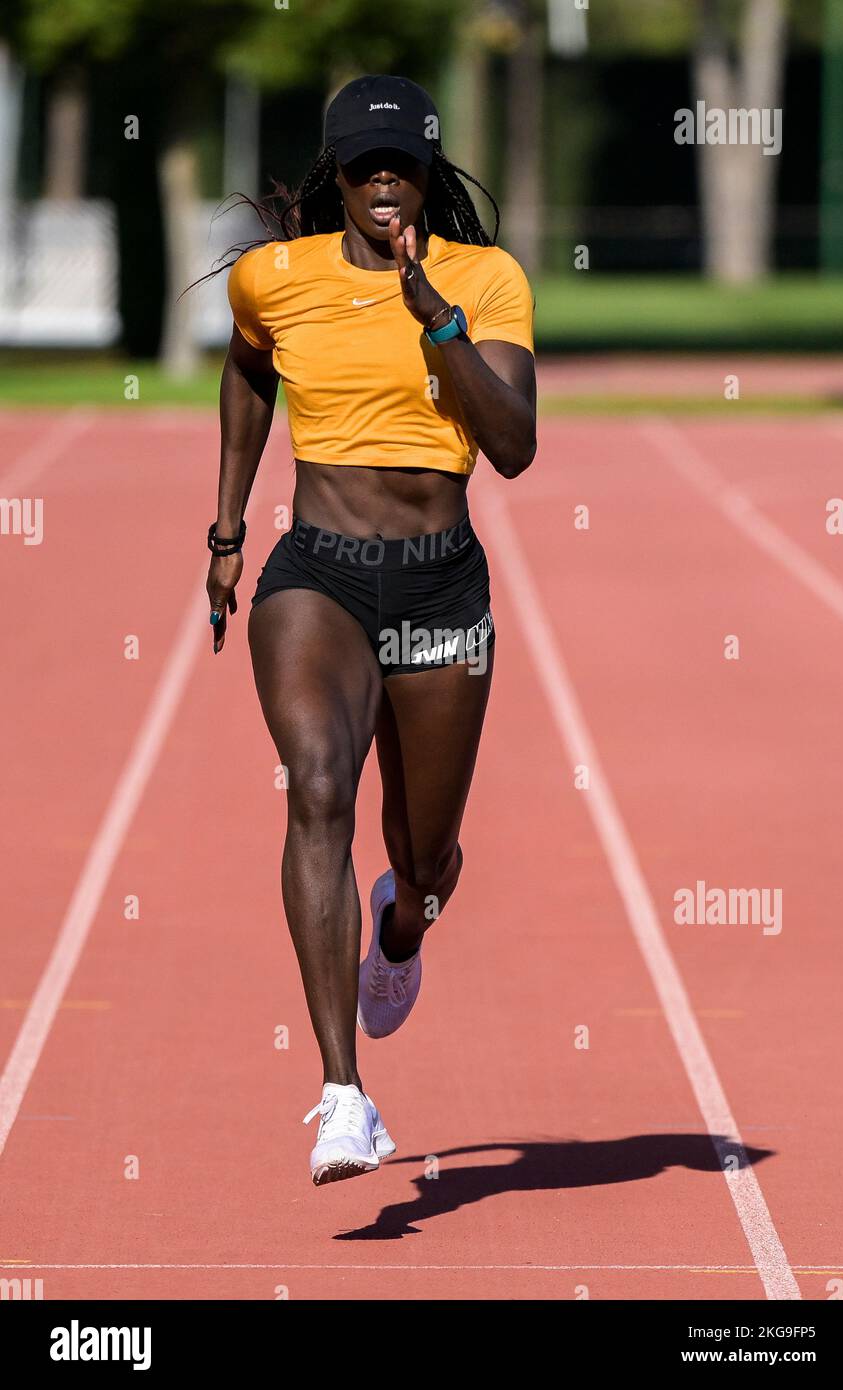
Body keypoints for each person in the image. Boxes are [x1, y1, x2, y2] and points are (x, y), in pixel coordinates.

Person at [206, 74, 536, 1186]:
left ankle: (399, 927)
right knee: (315, 788)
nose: (383, 185)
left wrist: (433, 319)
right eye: (362, 169)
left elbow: (514, 445)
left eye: (401, 168)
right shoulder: (275, 279)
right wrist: (224, 530)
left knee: (423, 853)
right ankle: (342, 1094)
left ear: (428, 175)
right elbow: (248, 373)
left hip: (441, 586)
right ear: (335, 179)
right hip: (320, 577)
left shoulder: (484, 280)